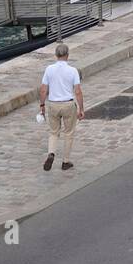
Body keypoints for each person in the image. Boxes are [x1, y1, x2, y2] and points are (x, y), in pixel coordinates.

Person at [38, 43, 84, 172]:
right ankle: (65, 161)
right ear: (67, 55)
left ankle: (51, 153)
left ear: (56, 55)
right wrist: (81, 109)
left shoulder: (49, 69)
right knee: (69, 133)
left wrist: (42, 105)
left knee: (53, 132)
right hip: (68, 104)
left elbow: (43, 90)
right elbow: (78, 91)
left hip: (53, 104)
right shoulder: (73, 70)